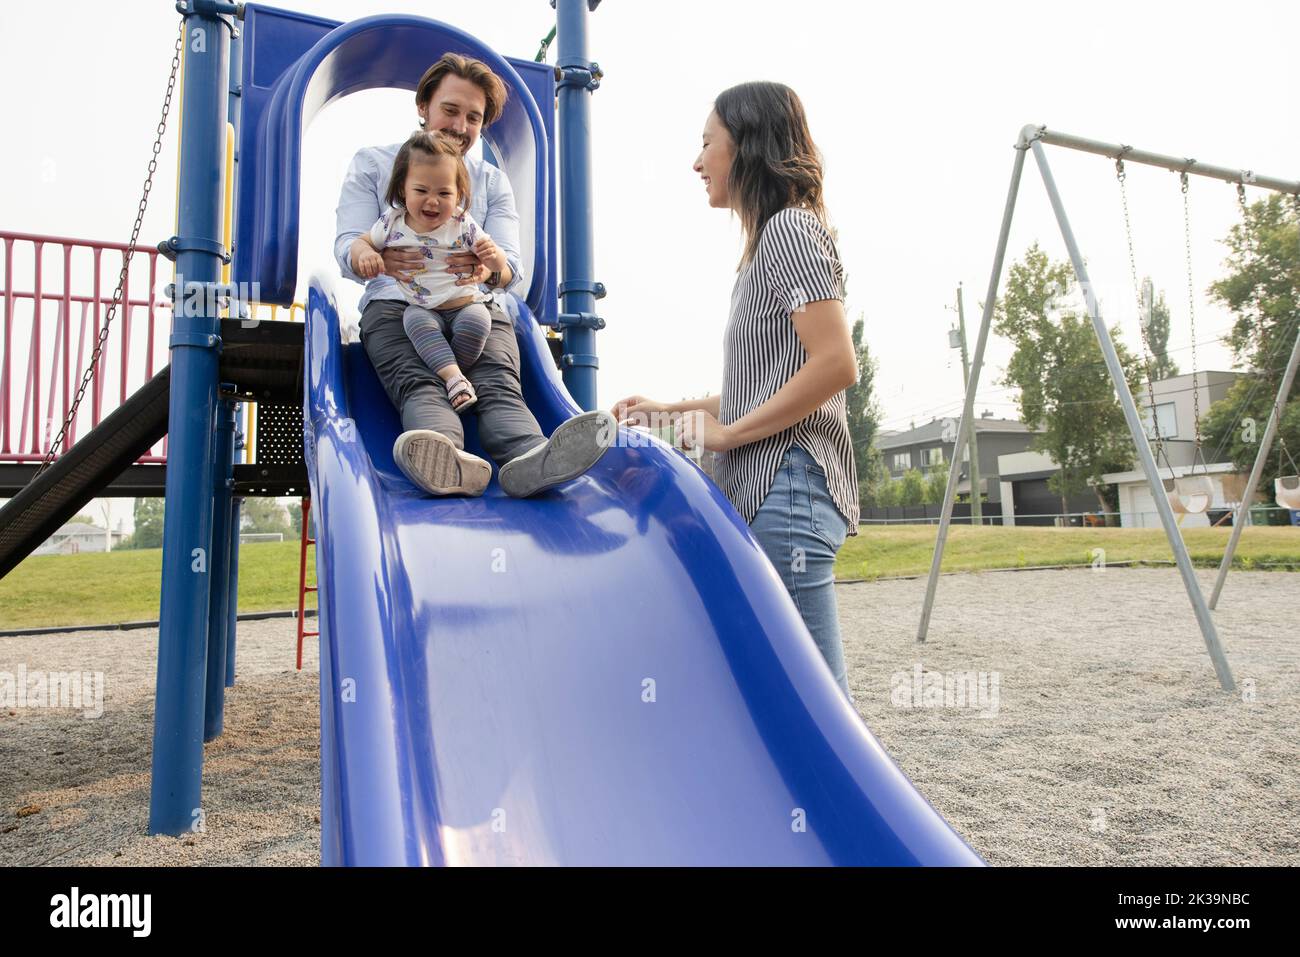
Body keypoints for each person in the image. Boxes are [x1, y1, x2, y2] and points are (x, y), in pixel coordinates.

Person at [613, 82, 860, 696]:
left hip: (789, 484)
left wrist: (724, 434)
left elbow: (835, 364)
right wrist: (668, 411)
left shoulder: (790, 232)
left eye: (706, 144)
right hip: (769, 488)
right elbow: (762, 387)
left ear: (745, 147)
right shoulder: (766, 247)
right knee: (785, 688)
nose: (697, 163)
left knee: (818, 700)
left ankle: (844, 796)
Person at [335, 53, 611, 498]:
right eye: (450, 110)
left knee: (499, 383)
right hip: (399, 305)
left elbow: (510, 269)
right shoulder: (374, 164)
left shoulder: (490, 182)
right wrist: (376, 258)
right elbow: (349, 244)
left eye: (473, 117)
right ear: (423, 106)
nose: (460, 126)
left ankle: (532, 458)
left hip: (473, 306)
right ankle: (445, 459)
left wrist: (490, 266)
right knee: (421, 383)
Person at [350, 130, 503, 414]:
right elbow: (361, 242)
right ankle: (453, 378)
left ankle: (451, 373)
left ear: (458, 196)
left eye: (444, 193)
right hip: (422, 307)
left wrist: (491, 257)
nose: (432, 201)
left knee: (479, 322)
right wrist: (368, 254)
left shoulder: (462, 223)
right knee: (414, 321)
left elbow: (498, 265)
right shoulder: (392, 223)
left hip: (463, 304)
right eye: (421, 191)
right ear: (402, 190)